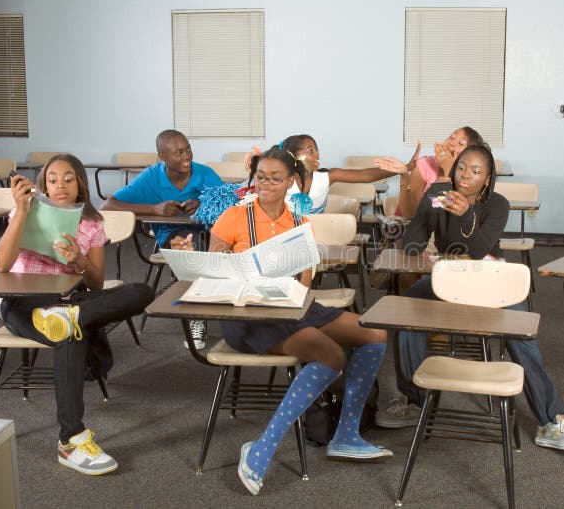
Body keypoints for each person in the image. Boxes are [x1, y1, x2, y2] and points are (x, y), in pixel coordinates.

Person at [171, 146, 391, 495]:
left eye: (275, 178)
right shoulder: (233, 216)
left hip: (290, 305)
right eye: (260, 177)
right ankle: (262, 448)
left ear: (291, 181)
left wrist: (298, 292)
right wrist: (200, 255)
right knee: (330, 355)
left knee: (375, 333)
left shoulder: (298, 222)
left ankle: (347, 434)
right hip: (246, 315)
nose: (266, 184)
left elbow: (305, 280)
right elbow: (214, 270)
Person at [374, 144, 564, 451]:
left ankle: (551, 420)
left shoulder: (497, 204)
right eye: (462, 167)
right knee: (408, 310)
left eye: (476, 172)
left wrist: (465, 215)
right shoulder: (437, 193)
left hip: (492, 283)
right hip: (449, 279)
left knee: (522, 334)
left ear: (487, 179)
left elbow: (477, 250)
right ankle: (412, 401)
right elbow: (414, 240)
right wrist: (417, 232)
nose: (465, 175)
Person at [0, 154, 155, 475]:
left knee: (142, 291)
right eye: (52, 180)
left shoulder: (92, 222)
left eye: (68, 178)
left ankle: (68, 316)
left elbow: (96, 282)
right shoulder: (25, 210)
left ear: (80, 182)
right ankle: (71, 440)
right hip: (23, 299)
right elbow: (1, 265)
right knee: (70, 331)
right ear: (43, 184)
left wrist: (79, 260)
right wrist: (23, 212)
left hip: (72, 299)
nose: (60, 186)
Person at [101, 129, 223, 350]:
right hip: (172, 237)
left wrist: (203, 203)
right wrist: (154, 209)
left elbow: (229, 204)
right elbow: (108, 206)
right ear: (163, 157)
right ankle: (195, 314)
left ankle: (202, 302)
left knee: (204, 245)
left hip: (211, 234)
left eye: (188, 149)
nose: (186, 156)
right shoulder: (151, 177)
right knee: (188, 248)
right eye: (178, 152)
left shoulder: (205, 174)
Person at [247, 134, 417, 214]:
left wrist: (406, 167)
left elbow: (364, 175)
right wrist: (255, 166)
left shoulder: (327, 176)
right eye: (310, 151)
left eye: (316, 150)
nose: (317, 155)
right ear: (295, 156)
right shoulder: (281, 179)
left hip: (318, 237)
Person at [375, 126, 486, 219]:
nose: (452, 143)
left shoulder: (470, 177)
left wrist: (449, 171)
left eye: (461, 143)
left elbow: (450, 214)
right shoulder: (424, 165)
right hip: (410, 230)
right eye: (451, 137)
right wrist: (405, 176)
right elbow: (415, 213)